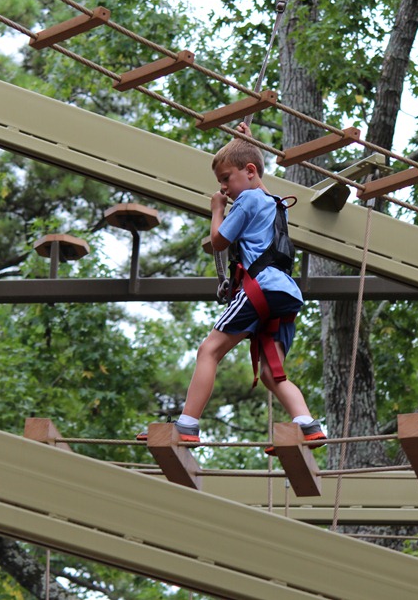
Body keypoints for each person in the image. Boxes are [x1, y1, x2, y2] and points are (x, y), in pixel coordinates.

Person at [139, 122, 325, 449]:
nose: (224, 187)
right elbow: (255, 178)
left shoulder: (247, 201)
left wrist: (217, 210)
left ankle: (187, 425)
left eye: (226, 179)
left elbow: (218, 240)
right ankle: (308, 426)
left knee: (208, 350)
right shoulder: (273, 202)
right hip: (285, 295)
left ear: (249, 172)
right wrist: (247, 144)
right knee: (272, 373)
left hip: (260, 290)